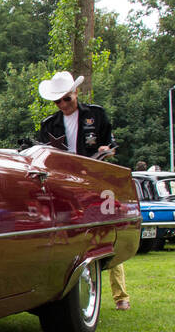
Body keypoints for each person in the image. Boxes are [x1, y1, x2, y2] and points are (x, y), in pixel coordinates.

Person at [37, 71, 130, 310]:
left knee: (104, 233)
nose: (63, 105)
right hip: (65, 186)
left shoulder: (96, 115)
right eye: (57, 101)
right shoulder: (49, 124)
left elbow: (113, 146)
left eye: (66, 99)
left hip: (94, 181)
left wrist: (106, 150)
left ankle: (120, 296)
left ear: (76, 93)